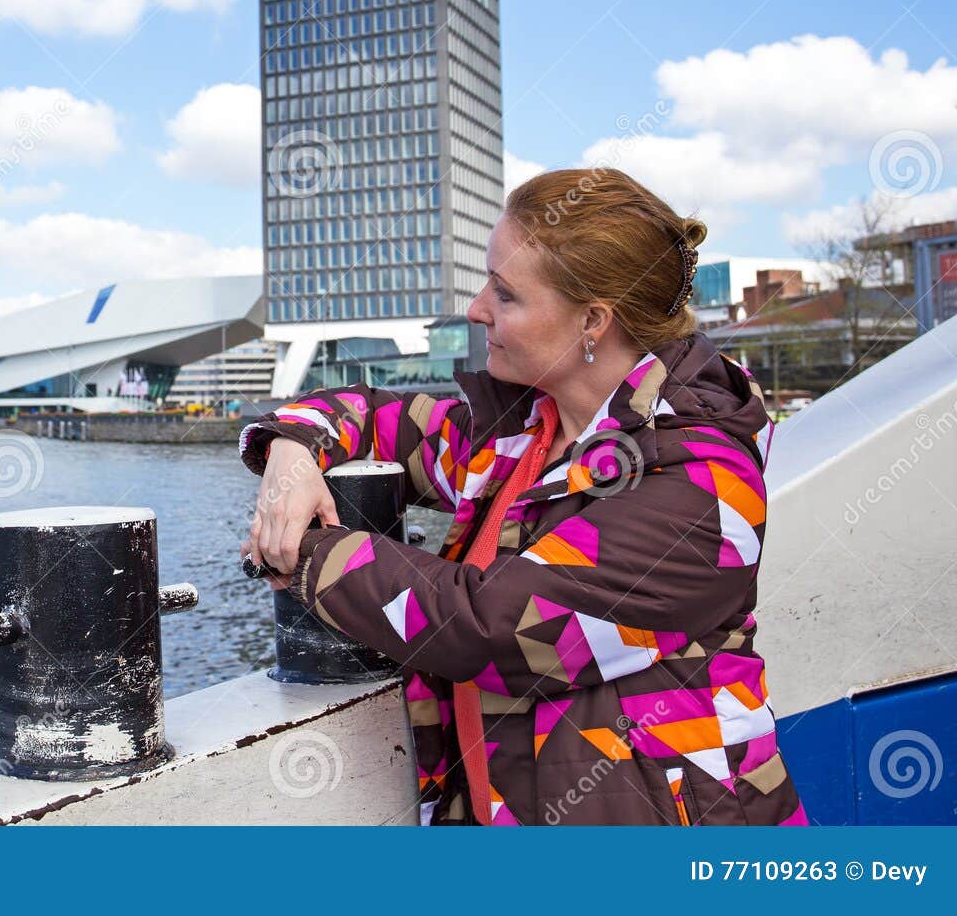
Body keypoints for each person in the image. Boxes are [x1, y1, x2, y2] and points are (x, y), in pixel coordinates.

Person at [240, 167, 808, 827]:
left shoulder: (700, 482)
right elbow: (371, 415)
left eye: (505, 294)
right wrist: (291, 449)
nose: (477, 308)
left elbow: (490, 628)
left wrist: (299, 552)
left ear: (592, 320)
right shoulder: (522, 434)